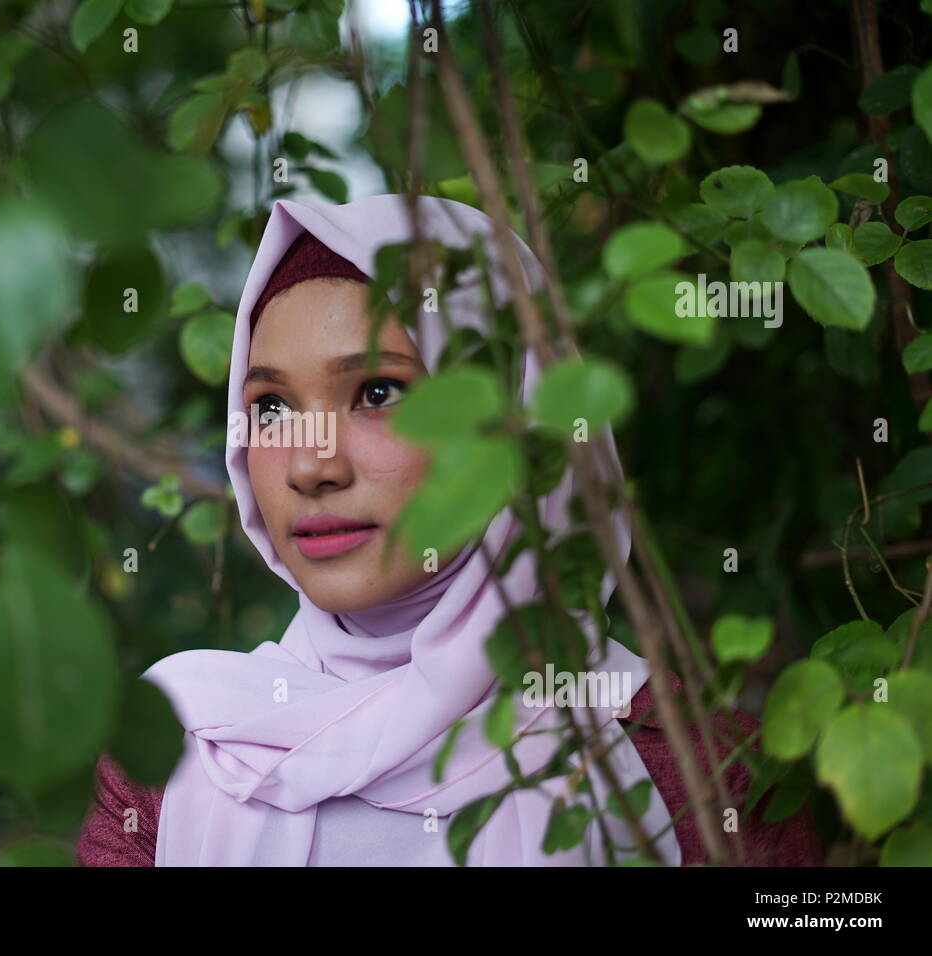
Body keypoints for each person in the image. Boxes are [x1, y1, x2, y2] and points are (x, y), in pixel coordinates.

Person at [76, 194, 822, 867]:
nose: (310, 465)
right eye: (272, 405)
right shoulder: (181, 748)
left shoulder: (697, 773)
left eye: (377, 391)